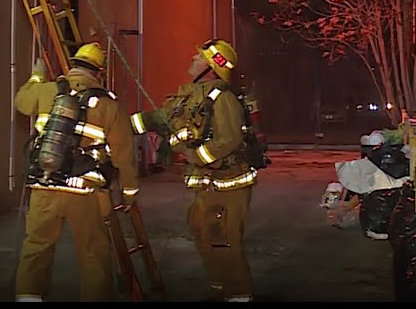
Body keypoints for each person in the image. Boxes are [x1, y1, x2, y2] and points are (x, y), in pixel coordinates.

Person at [128, 39, 261, 303]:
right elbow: (160, 118)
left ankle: (239, 295)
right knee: (203, 236)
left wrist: (195, 156)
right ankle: (221, 291)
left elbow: (229, 139)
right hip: (204, 184)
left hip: (227, 183)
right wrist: (120, 125)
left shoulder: (222, 98)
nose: (193, 58)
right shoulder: (191, 96)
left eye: (200, 57)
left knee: (224, 241)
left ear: (212, 67)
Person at [14, 41, 140, 302]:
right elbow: (123, 152)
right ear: (98, 72)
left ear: (73, 65)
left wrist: (37, 76)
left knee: (36, 246)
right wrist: (129, 191)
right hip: (84, 191)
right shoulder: (107, 104)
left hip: (45, 184)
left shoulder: (49, 90)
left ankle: (28, 298)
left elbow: (21, 102)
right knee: (93, 252)